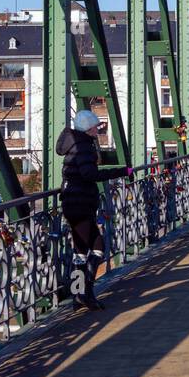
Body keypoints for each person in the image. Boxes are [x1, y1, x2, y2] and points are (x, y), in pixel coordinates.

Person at [56, 108, 130, 310]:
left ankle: (79, 295)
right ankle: (85, 292)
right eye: (96, 126)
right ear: (88, 128)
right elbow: (89, 174)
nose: (98, 129)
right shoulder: (84, 146)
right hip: (80, 203)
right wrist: (121, 171)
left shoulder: (74, 144)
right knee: (98, 246)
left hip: (71, 202)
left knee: (80, 251)